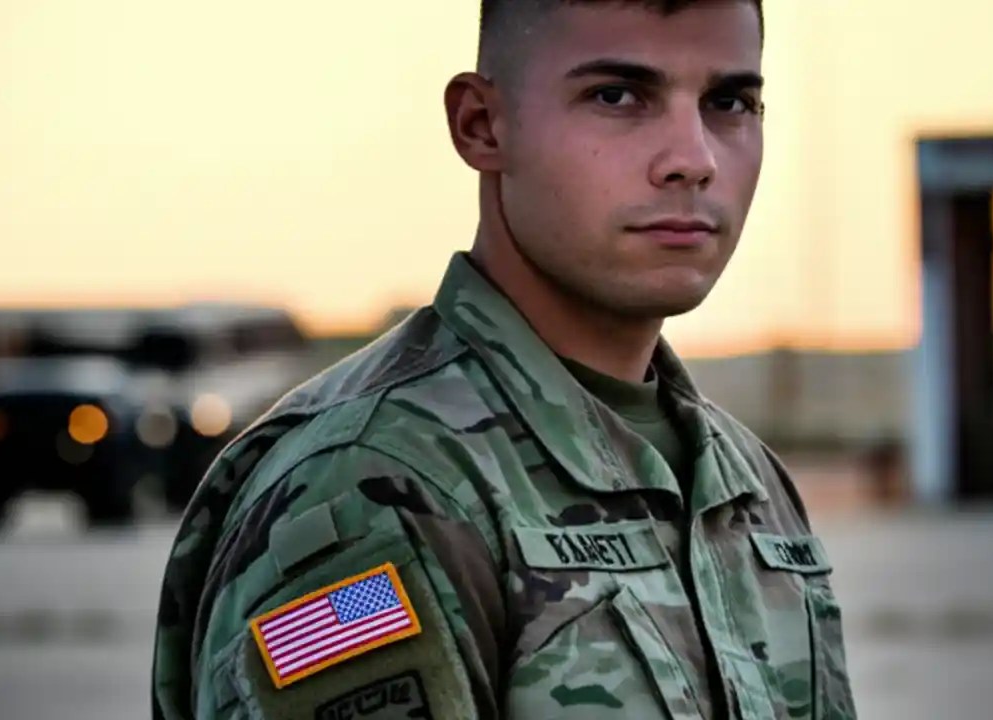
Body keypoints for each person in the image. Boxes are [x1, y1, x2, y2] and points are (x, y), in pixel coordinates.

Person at [150, 1, 857, 717]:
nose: (693, 160)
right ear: (482, 125)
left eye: (729, 102)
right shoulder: (373, 485)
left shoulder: (744, 482)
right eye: (617, 97)